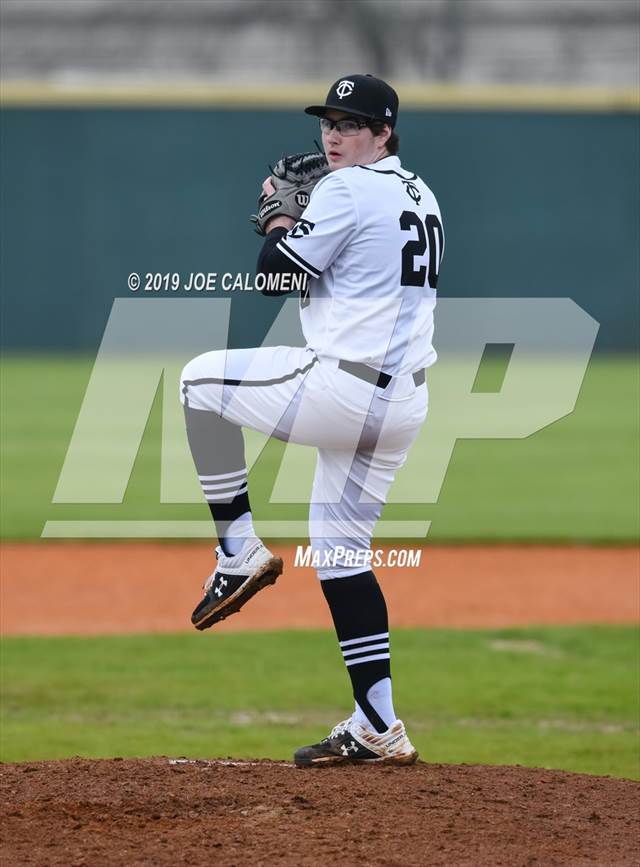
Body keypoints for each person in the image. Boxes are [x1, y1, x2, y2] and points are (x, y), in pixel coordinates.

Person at [180, 74, 444, 767]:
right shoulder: (420, 192)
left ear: (383, 133)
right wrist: (304, 221)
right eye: (328, 121)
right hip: (403, 402)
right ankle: (378, 723)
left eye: (351, 123)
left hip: (345, 388)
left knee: (199, 382)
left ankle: (237, 550)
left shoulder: (347, 189)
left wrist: (279, 217)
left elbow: (274, 274)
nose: (333, 134)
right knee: (343, 555)